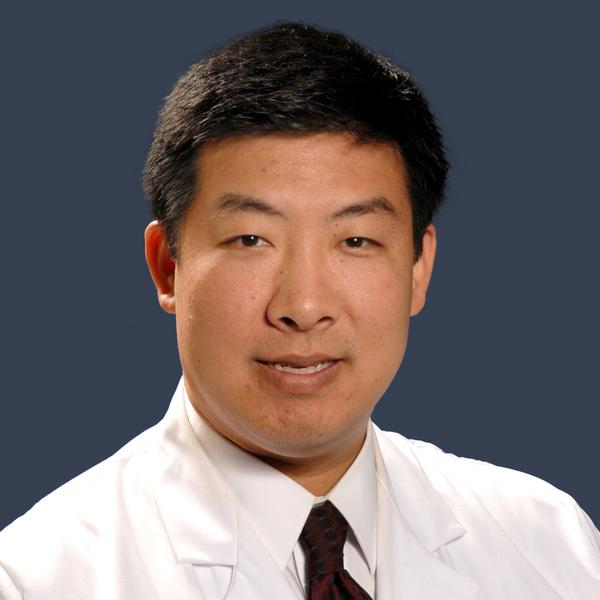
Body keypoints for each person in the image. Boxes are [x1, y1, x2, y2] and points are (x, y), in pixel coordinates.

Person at [0, 22, 598, 600]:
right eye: (251, 240)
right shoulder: (35, 581)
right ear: (167, 266)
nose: (304, 308)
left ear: (419, 268)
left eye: (356, 240)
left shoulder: (553, 547)